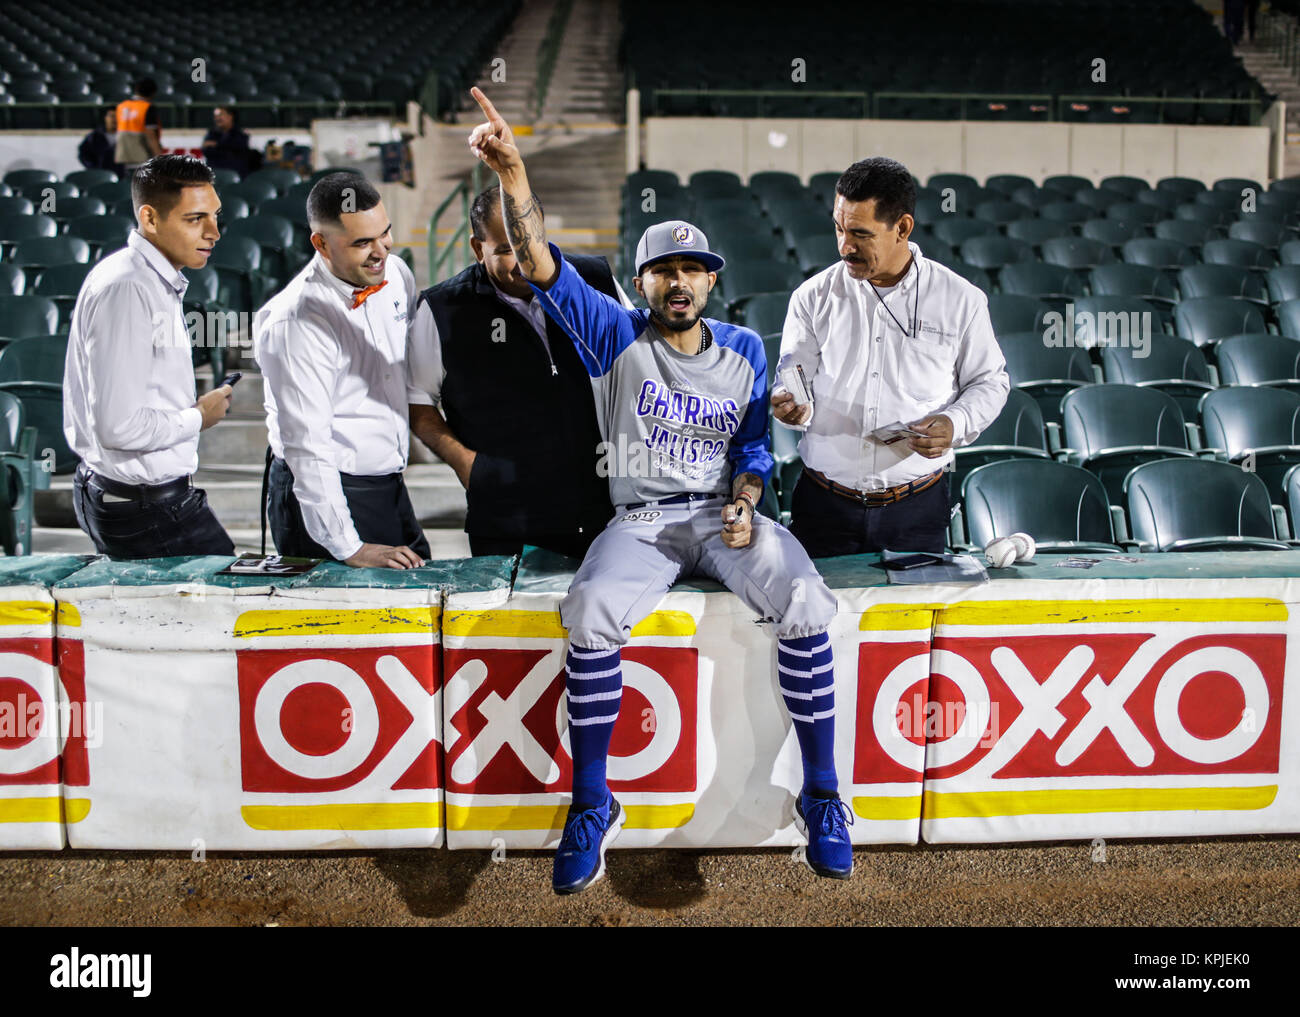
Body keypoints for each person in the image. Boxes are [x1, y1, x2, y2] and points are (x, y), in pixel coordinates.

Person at [467, 87, 851, 894]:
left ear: (712, 281)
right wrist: (514, 170)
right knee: (591, 611)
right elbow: (539, 262)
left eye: (694, 270)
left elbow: (753, 445)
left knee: (809, 601)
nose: (680, 282)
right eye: (664, 270)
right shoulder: (612, 333)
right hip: (641, 520)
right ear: (641, 281)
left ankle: (823, 793)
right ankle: (592, 801)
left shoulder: (746, 345)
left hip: (724, 516)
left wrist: (747, 497)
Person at [771, 157, 1009, 558]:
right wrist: (788, 401)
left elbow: (990, 382)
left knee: (915, 621)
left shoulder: (960, 300)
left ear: (902, 228)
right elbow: (794, 374)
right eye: (838, 228)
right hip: (823, 506)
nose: (845, 246)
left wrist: (957, 422)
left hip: (917, 510)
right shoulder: (812, 297)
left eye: (860, 234)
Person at [408, 184, 623, 558]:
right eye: (506, 250)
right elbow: (417, 402)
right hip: (506, 521)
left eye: (530, 242)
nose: (524, 260)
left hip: (604, 511)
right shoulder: (443, 308)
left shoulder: (594, 278)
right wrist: (469, 466)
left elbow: (636, 359)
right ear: (478, 249)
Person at [254, 172, 430, 570]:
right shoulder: (296, 322)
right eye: (361, 243)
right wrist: (348, 546)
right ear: (321, 243)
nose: (380, 251)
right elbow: (308, 448)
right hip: (324, 491)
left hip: (387, 483)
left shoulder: (397, 274)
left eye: (384, 233)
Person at [63, 154, 236, 558]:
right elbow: (117, 427)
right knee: (224, 612)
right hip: (146, 509)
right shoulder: (129, 288)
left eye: (215, 216)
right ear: (150, 218)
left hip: (136, 499)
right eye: (195, 219)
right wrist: (199, 417)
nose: (214, 232)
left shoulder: (143, 278)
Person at [115, 78, 162, 175]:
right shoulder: (147, 107)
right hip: (141, 154)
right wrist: (159, 156)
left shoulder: (122, 106)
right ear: (153, 93)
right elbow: (151, 135)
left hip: (122, 155)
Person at [201, 106, 253, 179]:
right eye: (215, 116)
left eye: (220, 115)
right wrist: (225, 148)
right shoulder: (211, 134)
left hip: (236, 173)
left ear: (230, 116)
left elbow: (238, 147)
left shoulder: (240, 134)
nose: (217, 118)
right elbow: (206, 151)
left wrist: (216, 144)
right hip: (214, 174)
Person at [77, 108, 120, 174]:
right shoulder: (94, 136)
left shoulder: (127, 136)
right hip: (100, 174)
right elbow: (84, 155)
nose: (115, 119)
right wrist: (94, 169)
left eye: (118, 116)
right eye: (112, 116)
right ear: (105, 118)